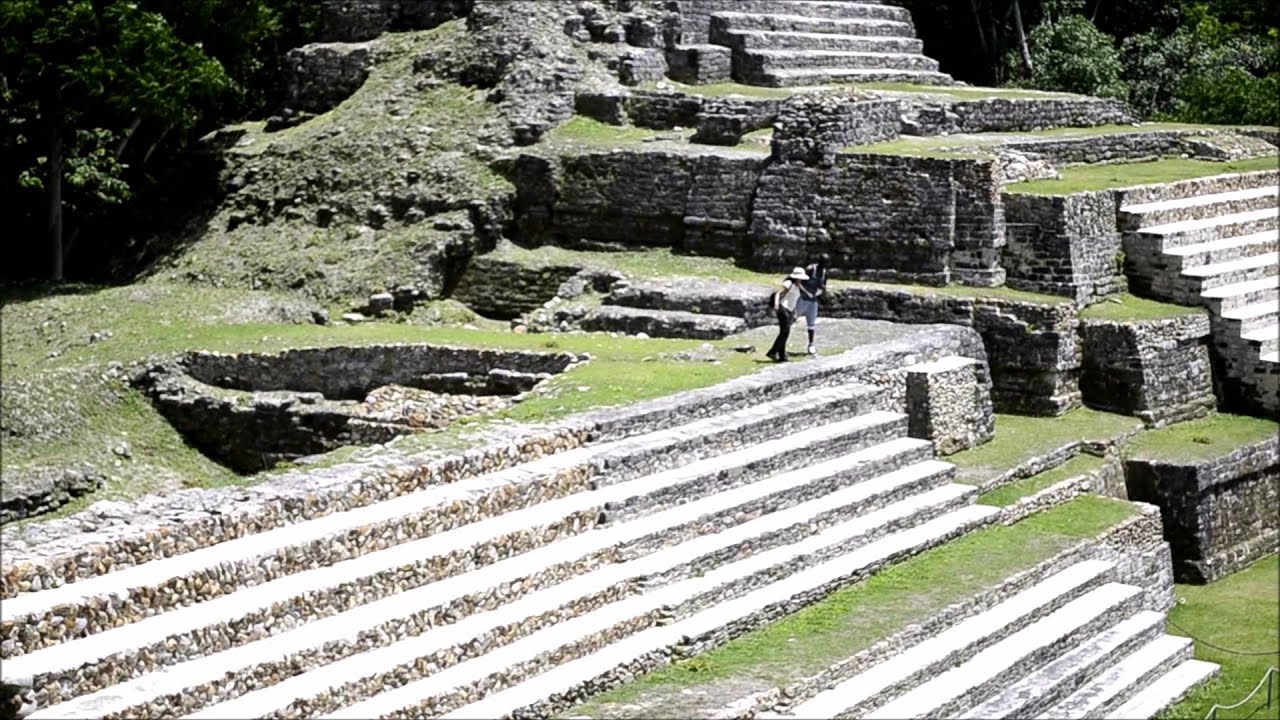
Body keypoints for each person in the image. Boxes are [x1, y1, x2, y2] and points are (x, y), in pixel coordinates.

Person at [766, 267, 809, 363]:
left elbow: (794, 300)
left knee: (784, 333)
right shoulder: (789, 283)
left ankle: (782, 356)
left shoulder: (798, 286)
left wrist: (795, 312)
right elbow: (778, 293)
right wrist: (776, 304)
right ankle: (773, 352)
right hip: (783, 308)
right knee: (785, 332)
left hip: (789, 310)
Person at [795, 253, 831, 355]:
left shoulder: (824, 273)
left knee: (811, 324)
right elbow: (799, 282)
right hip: (802, 299)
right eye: (823, 263)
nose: (824, 265)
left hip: (813, 301)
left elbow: (823, 285)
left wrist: (822, 291)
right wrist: (807, 293)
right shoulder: (810, 269)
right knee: (792, 319)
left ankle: (811, 344)